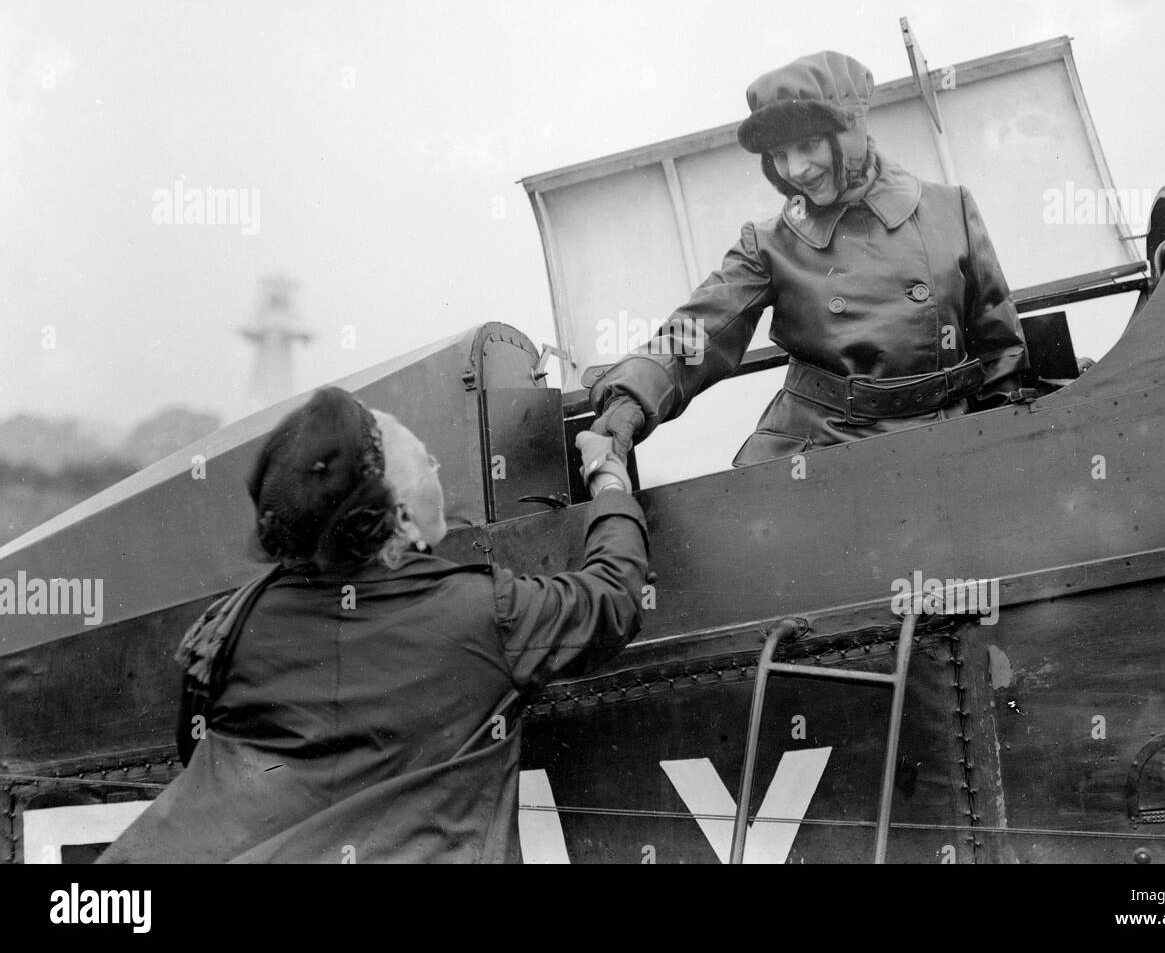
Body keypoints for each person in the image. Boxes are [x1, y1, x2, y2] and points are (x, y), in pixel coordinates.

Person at [99, 386, 646, 864]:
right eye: (428, 465)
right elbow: (613, 597)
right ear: (402, 518)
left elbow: (202, 758)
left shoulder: (228, 626)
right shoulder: (482, 613)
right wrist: (608, 477)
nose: (438, 474)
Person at [590, 50, 1028, 467]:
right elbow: (698, 329)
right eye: (780, 155)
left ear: (850, 130)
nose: (795, 169)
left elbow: (999, 344)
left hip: (946, 436)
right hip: (822, 447)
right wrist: (631, 396)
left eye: (808, 145)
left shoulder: (950, 208)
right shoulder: (768, 242)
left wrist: (1002, 437)